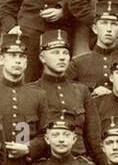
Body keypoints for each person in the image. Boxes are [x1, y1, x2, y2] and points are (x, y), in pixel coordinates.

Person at [0, 33, 49, 165]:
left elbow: (46, 135)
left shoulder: (38, 95)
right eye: (12, 55)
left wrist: (28, 148)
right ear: (1, 60)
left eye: (22, 56)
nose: (18, 60)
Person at [28, 29, 101, 158]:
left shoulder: (81, 91)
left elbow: (94, 139)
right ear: (42, 57)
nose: (62, 57)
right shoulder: (30, 91)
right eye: (55, 53)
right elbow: (22, 139)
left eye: (65, 53)